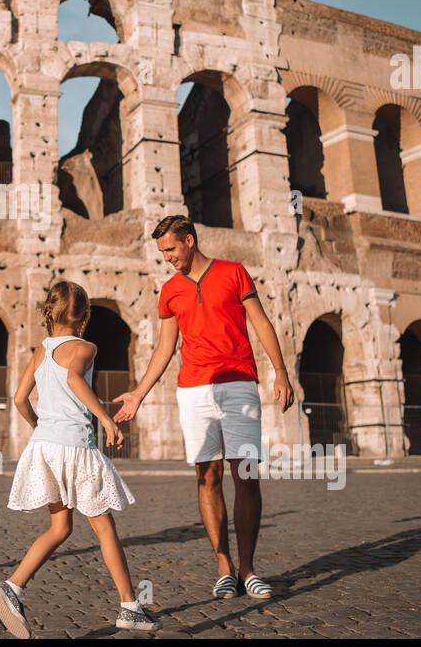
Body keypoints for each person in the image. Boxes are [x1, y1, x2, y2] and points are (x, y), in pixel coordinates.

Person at [113, 216, 293, 600]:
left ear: (189, 241)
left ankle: (248, 568)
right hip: (193, 391)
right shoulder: (169, 291)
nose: (167, 258)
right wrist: (138, 394)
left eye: (171, 250)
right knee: (207, 477)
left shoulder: (233, 273)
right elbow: (165, 349)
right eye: (161, 252)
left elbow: (260, 323)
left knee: (246, 476)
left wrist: (280, 372)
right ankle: (224, 566)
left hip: (239, 384)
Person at [0, 282, 160, 637]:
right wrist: (106, 418)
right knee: (104, 527)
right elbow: (74, 378)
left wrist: (39, 427)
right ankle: (130, 607)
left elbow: (20, 399)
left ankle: (13, 586)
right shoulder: (86, 347)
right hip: (76, 449)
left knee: (59, 528)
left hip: (45, 448)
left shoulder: (40, 351)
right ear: (85, 316)